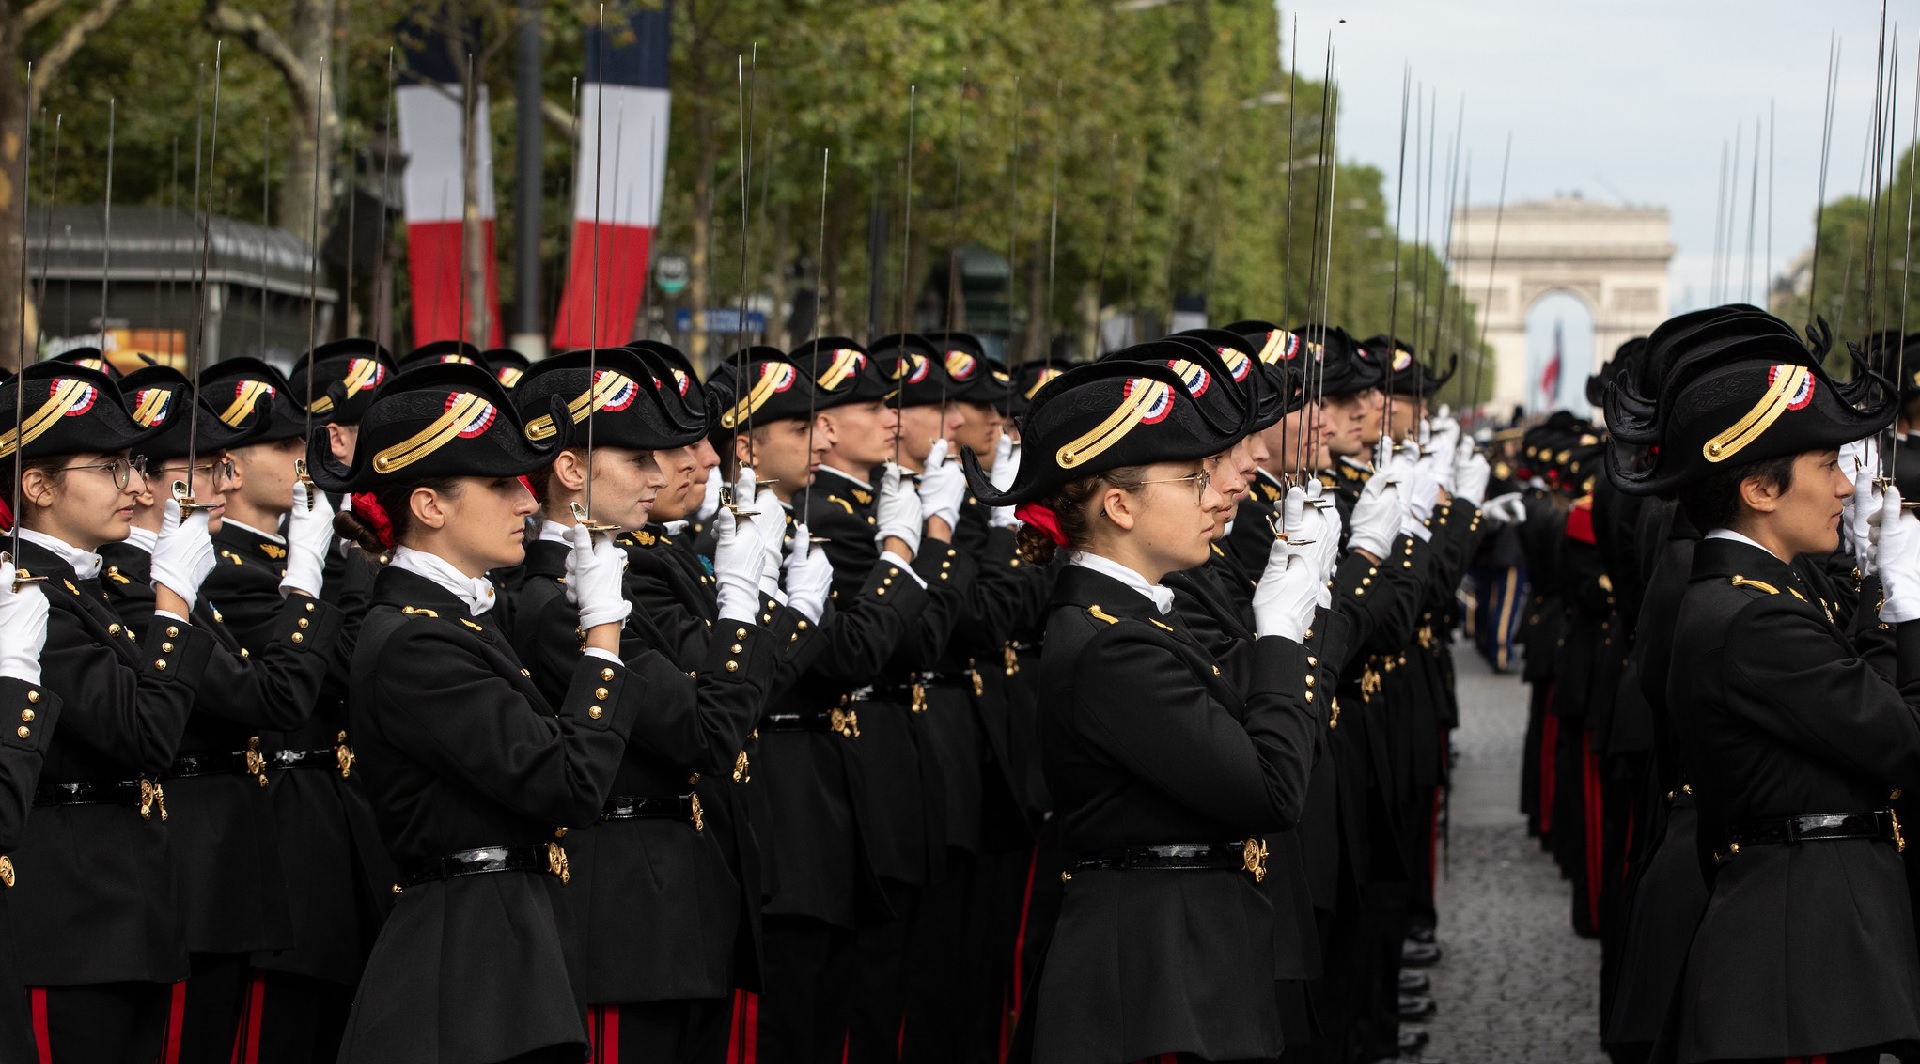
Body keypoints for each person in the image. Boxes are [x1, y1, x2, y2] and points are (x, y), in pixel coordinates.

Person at [966, 356, 1329, 1064]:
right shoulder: (1114, 647)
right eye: (1192, 479)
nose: (1216, 495)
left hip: (1182, 958)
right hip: (1156, 975)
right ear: (1120, 506)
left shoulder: (1136, 619)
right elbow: (1272, 788)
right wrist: (1281, 634)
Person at [308, 362, 649, 1064]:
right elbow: (567, 781)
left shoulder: (453, 619)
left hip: (499, 955)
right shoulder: (417, 641)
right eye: (499, 485)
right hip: (467, 972)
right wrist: (604, 638)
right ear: (430, 506)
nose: (526, 502)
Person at [1612, 322, 1920, 1062]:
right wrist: (1904, 610)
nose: (1846, 485)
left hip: (1809, 946)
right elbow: (1904, 741)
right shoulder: (1754, 618)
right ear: (1757, 489)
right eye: (1826, 464)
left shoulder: (1758, 595)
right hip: (1797, 965)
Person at [98, 363, 347, 1063]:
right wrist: (303, 579)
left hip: (223, 860)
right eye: (202, 469)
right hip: (187, 864)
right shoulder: (133, 585)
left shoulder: (174, 574)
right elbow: (273, 698)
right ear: (145, 481)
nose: (225, 483)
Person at [2, 361, 222, 1061]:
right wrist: (174, 603)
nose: (136, 484)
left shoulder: (80, 587)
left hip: (124, 913)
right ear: (37, 486)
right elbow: (147, 733)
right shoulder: (30, 596)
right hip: (69, 921)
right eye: (108, 467)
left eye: (133, 462)